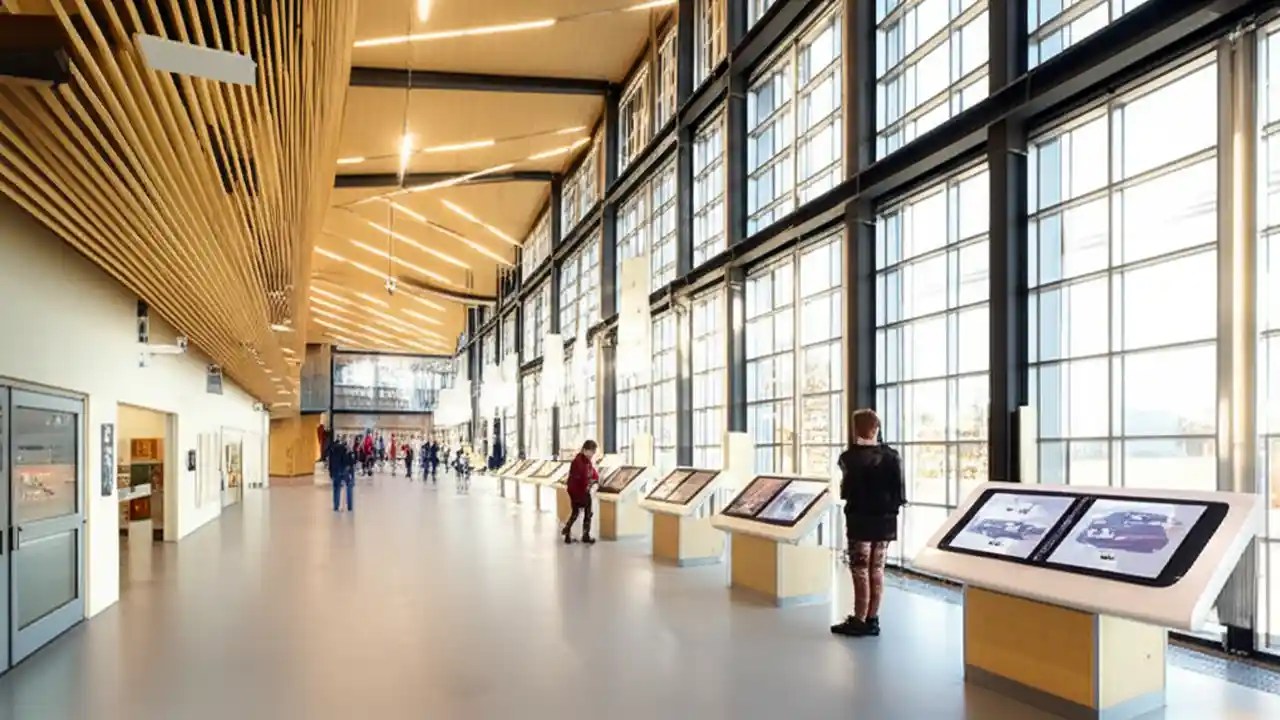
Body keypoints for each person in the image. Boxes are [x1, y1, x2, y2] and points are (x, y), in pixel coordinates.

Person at [831, 409, 905, 638]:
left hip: (860, 519)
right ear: (877, 428)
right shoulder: (892, 456)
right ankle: (873, 618)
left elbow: (846, 491)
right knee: (877, 568)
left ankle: (859, 618)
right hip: (886, 521)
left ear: (856, 430)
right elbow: (899, 492)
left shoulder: (848, 458)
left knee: (860, 568)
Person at [562, 440, 599, 545]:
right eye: (592, 451)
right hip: (579, 491)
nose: (593, 454)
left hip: (577, 490)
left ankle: (567, 530)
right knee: (587, 512)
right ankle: (585, 535)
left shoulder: (585, 460)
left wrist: (595, 478)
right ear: (585, 450)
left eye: (594, 451)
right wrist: (589, 483)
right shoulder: (579, 462)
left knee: (576, 512)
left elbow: (592, 473)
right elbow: (583, 477)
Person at [328, 435, 354, 512]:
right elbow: (349, 461)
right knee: (349, 486)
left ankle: (336, 506)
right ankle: (349, 506)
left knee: (336, 488)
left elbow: (330, 461)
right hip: (344, 470)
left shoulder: (332, 448)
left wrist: (331, 472)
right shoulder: (346, 448)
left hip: (336, 470)